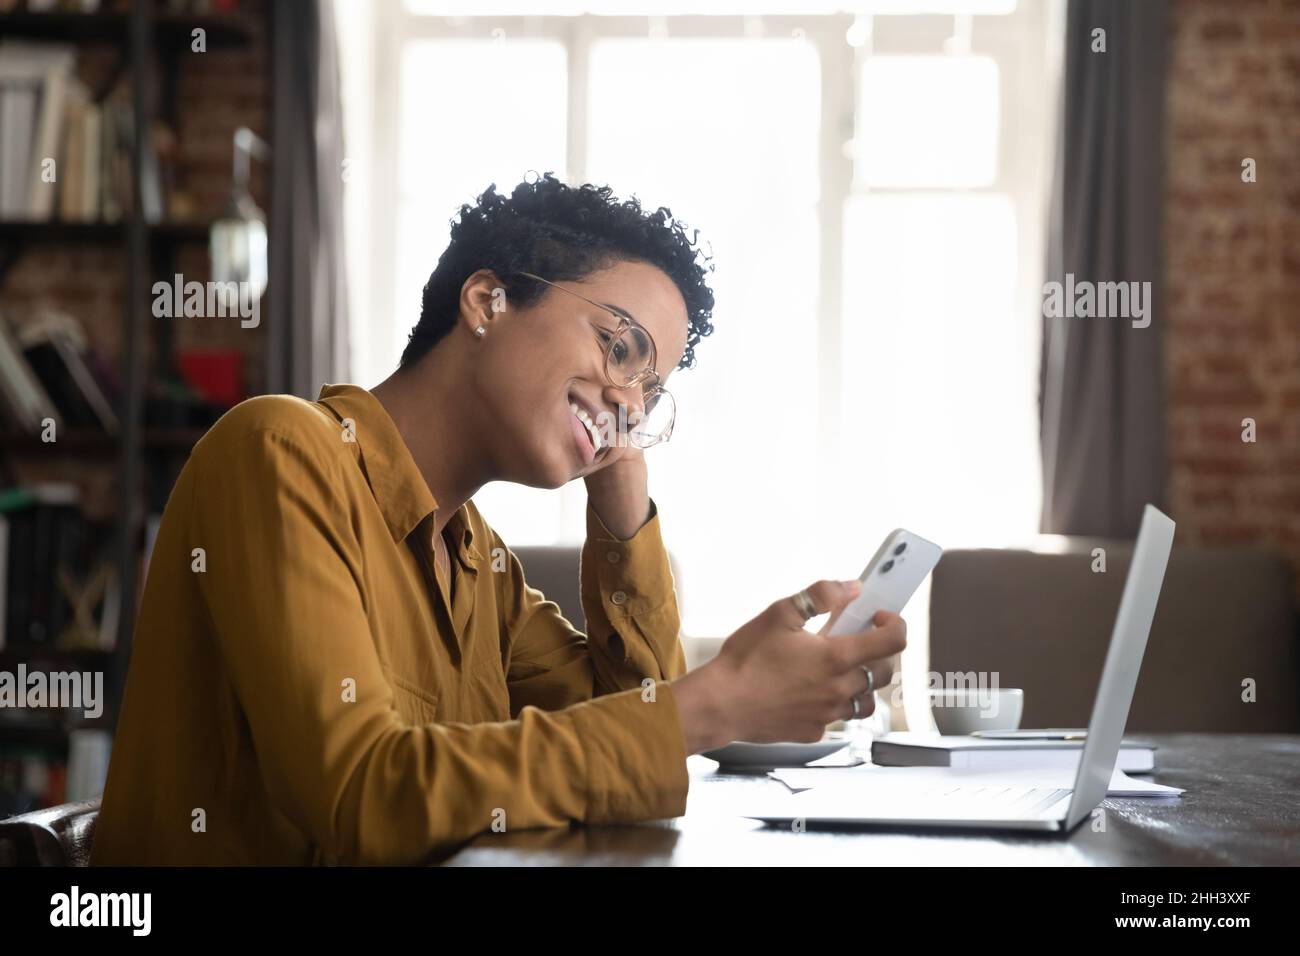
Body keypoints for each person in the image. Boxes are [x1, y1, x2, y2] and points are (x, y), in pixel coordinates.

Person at [91, 174, 905, 865]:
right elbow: (359, 794)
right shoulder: (278, 452)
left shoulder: (478, 561)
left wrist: (623, 498)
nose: (629, 404)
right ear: (489, 300)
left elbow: (631, 728)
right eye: (618, 348)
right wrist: (716, 702)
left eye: (652, 397)